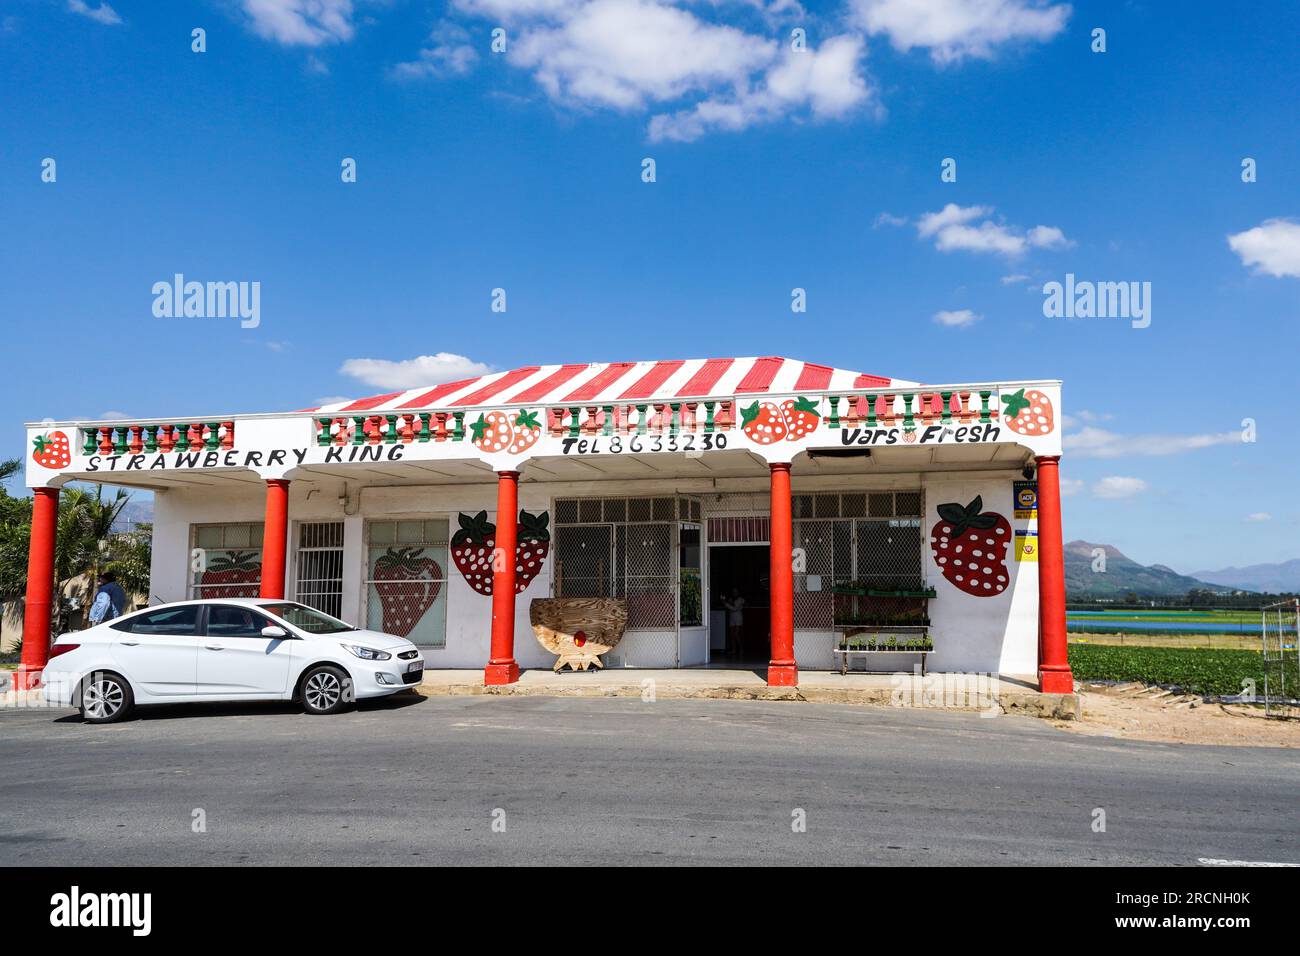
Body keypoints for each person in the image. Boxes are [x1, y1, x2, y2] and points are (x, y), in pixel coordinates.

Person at [722, 588, 745, 659]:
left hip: (738, 616)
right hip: (732, 616)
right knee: (732, 634)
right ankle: (734, 650)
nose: (734, 593)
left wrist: (725, 603)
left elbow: (735, 608)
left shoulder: (740, 599)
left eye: (736, 592)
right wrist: (726, 603)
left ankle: (741, 649)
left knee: (736, 634)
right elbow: (731, 607)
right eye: (733, 592)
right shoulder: (731, 599)